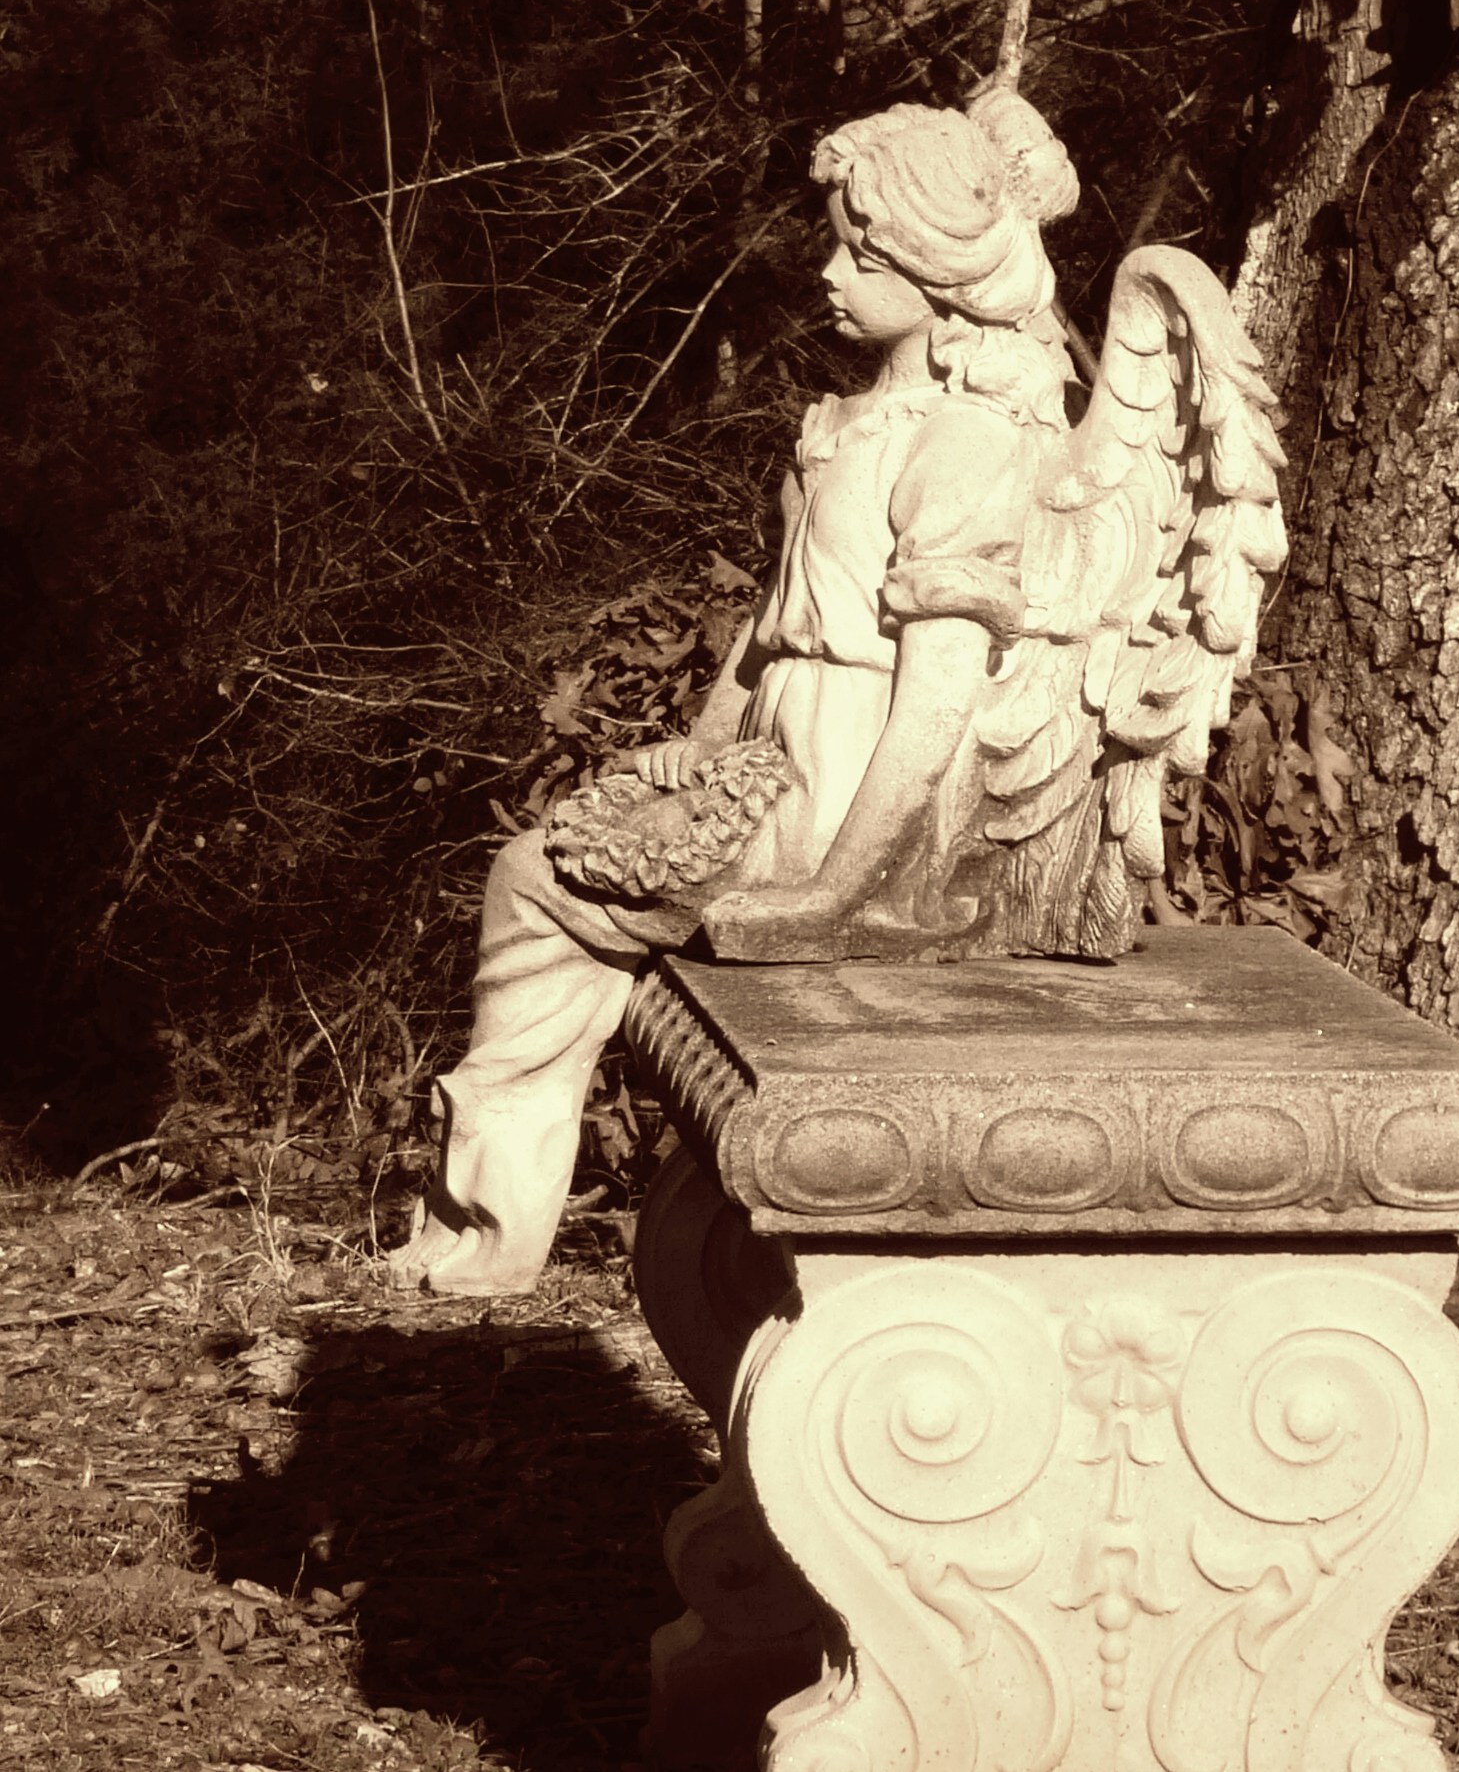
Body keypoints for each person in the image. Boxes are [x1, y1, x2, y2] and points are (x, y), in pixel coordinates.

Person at [390, 90, 1084, 1295]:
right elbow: (767, 633)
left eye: (860, 250)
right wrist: (699, 748)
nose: (828, 271)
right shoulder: (852, 422)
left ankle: (490, 1232)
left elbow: (936, 701)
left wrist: (832, 893)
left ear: (938, 261)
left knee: (535, 883)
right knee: (560, 857)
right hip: (777, 756)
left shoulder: (972, 441)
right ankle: (487, 1221)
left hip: (858, 794)